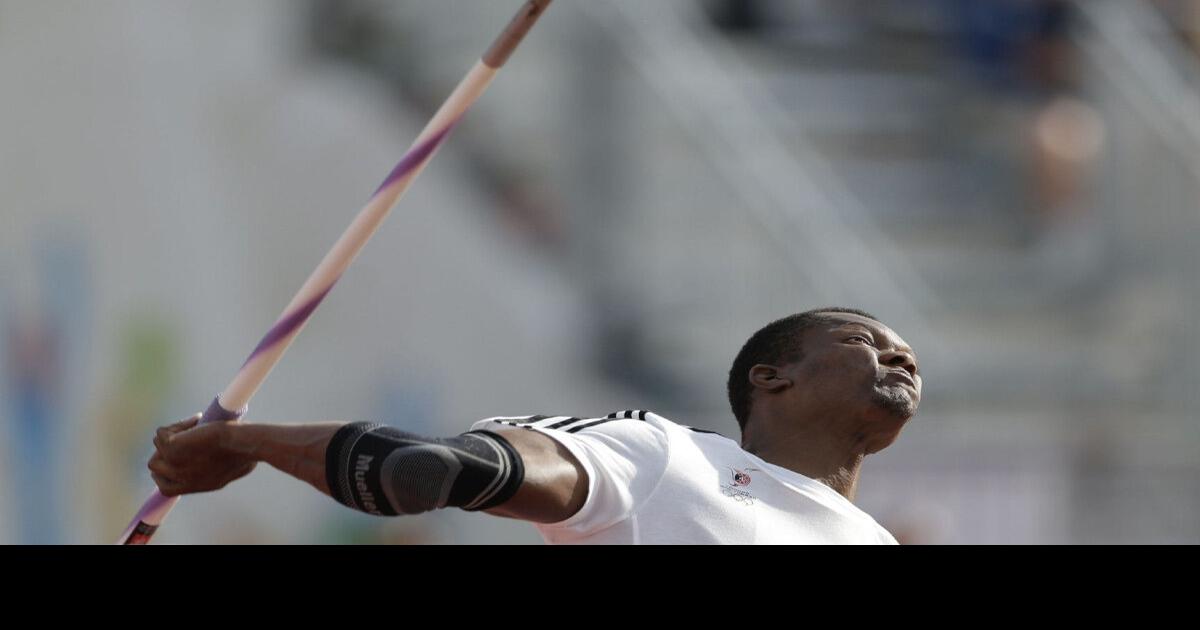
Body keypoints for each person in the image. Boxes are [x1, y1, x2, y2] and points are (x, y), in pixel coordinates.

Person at [148, 307, 921, 544]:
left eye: (909, 356)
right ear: (771, 378)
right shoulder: (668, 459)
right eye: (865, 344)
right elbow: (427, 470)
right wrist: (240, 440)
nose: (900, 361)